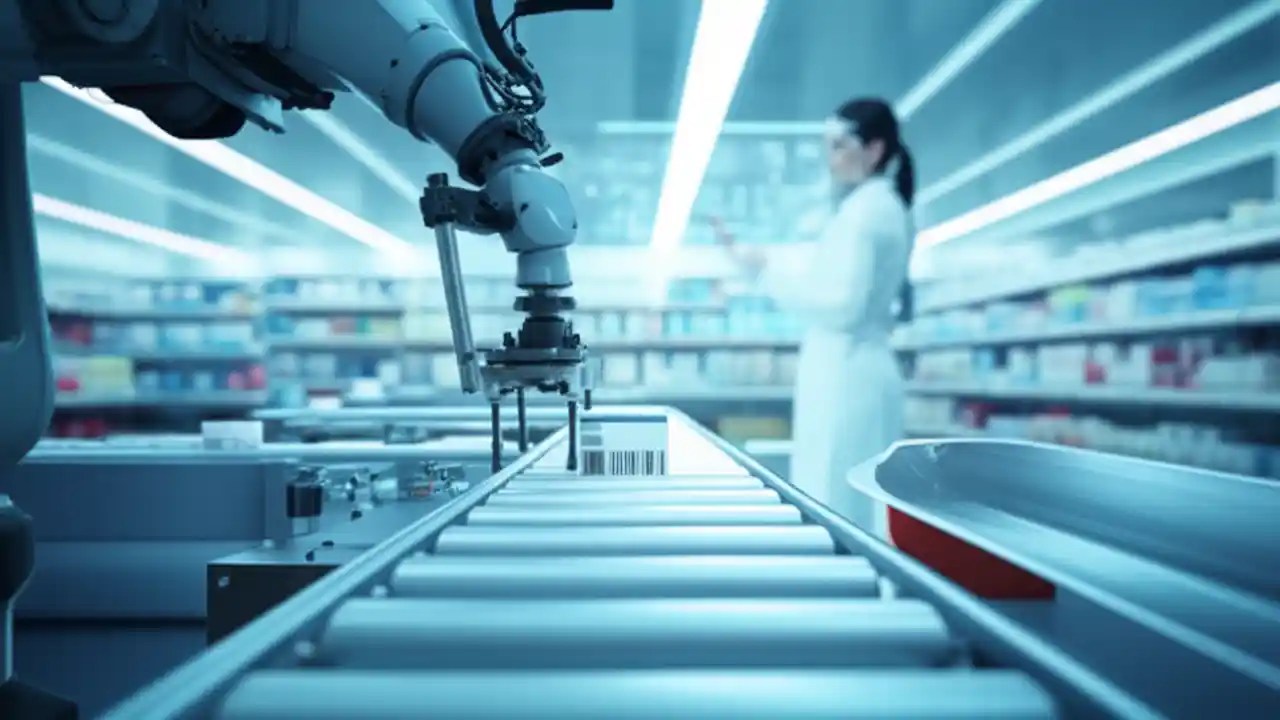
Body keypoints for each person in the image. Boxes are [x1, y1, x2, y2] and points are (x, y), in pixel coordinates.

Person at [716, 97, 915, 532]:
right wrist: (763, 264)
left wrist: (767, 273)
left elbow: (840, 304)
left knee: (837, 501)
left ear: (875, 149)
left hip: (848, 377)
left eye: (840, 146)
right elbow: (833, 278)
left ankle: (851, 596)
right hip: (853, 370)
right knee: (851, 502)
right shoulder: (874, 208)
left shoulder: (866, 212)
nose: (831, 159)